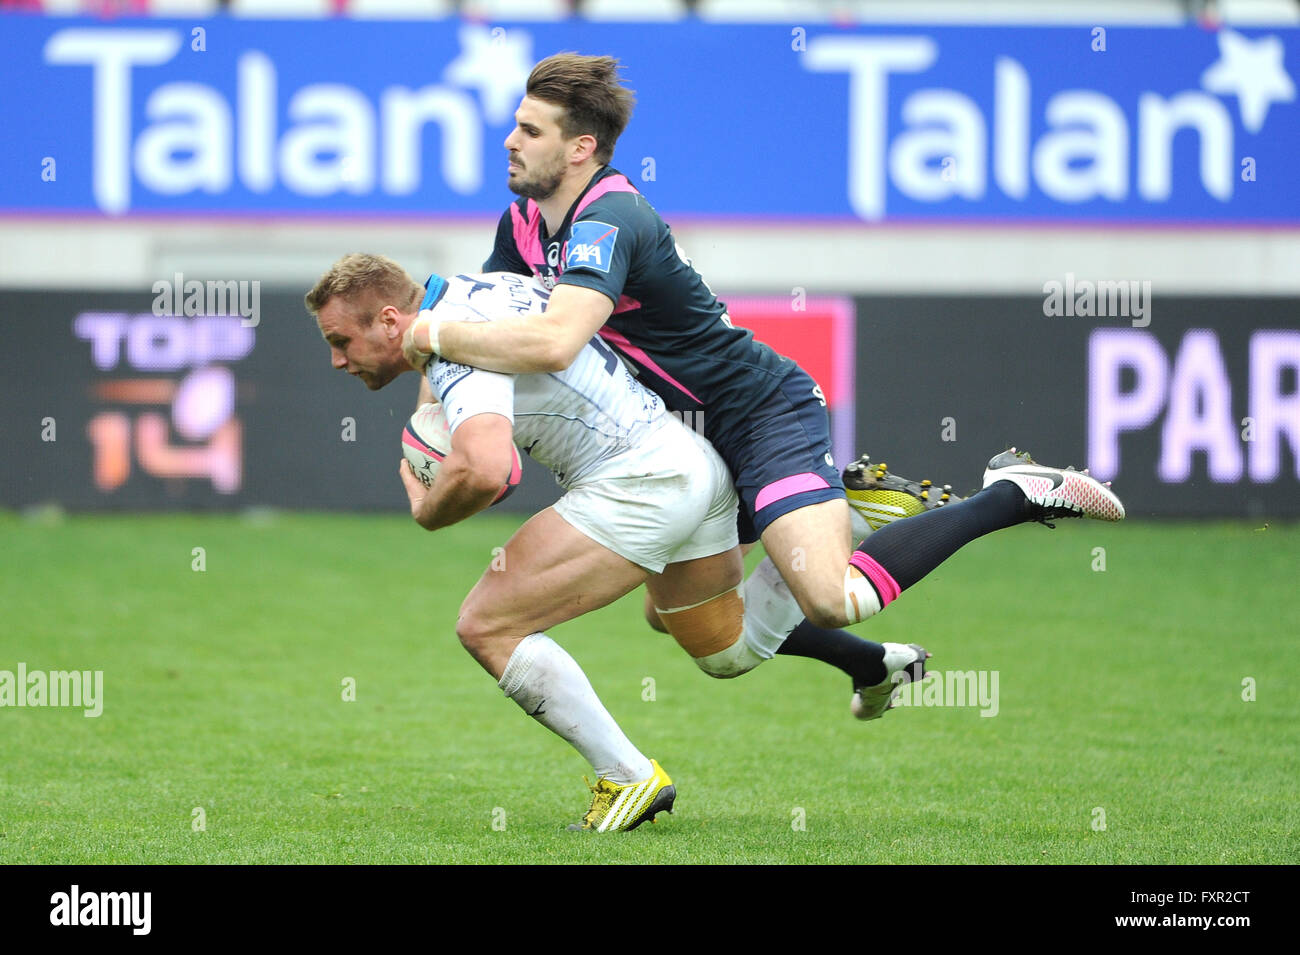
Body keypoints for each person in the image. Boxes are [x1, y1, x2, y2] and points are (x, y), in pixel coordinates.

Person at [402, 54, 1124, 701]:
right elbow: (487, 323)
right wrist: (436, 398)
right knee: (694, 631)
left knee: (831, 597)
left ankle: (1011, 493)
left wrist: (425, 333)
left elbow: (555, 341)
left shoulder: (609, 219)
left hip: (759, 412)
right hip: (681, 440)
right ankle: (869, 652)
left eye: (530, 129)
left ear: (581, 146)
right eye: (515, 126)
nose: (510, 140)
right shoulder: (524, 224)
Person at [305, 254, 929, 831]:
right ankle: (845, 521)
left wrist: (427, 507)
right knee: (724, 650)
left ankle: (627, 777)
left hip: (635, 483)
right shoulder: (478, 289)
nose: (337, 360)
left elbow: (486, 470)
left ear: (391, 320)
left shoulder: (457, 352)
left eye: (341, 341)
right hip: (689, 462)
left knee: (486, 626)